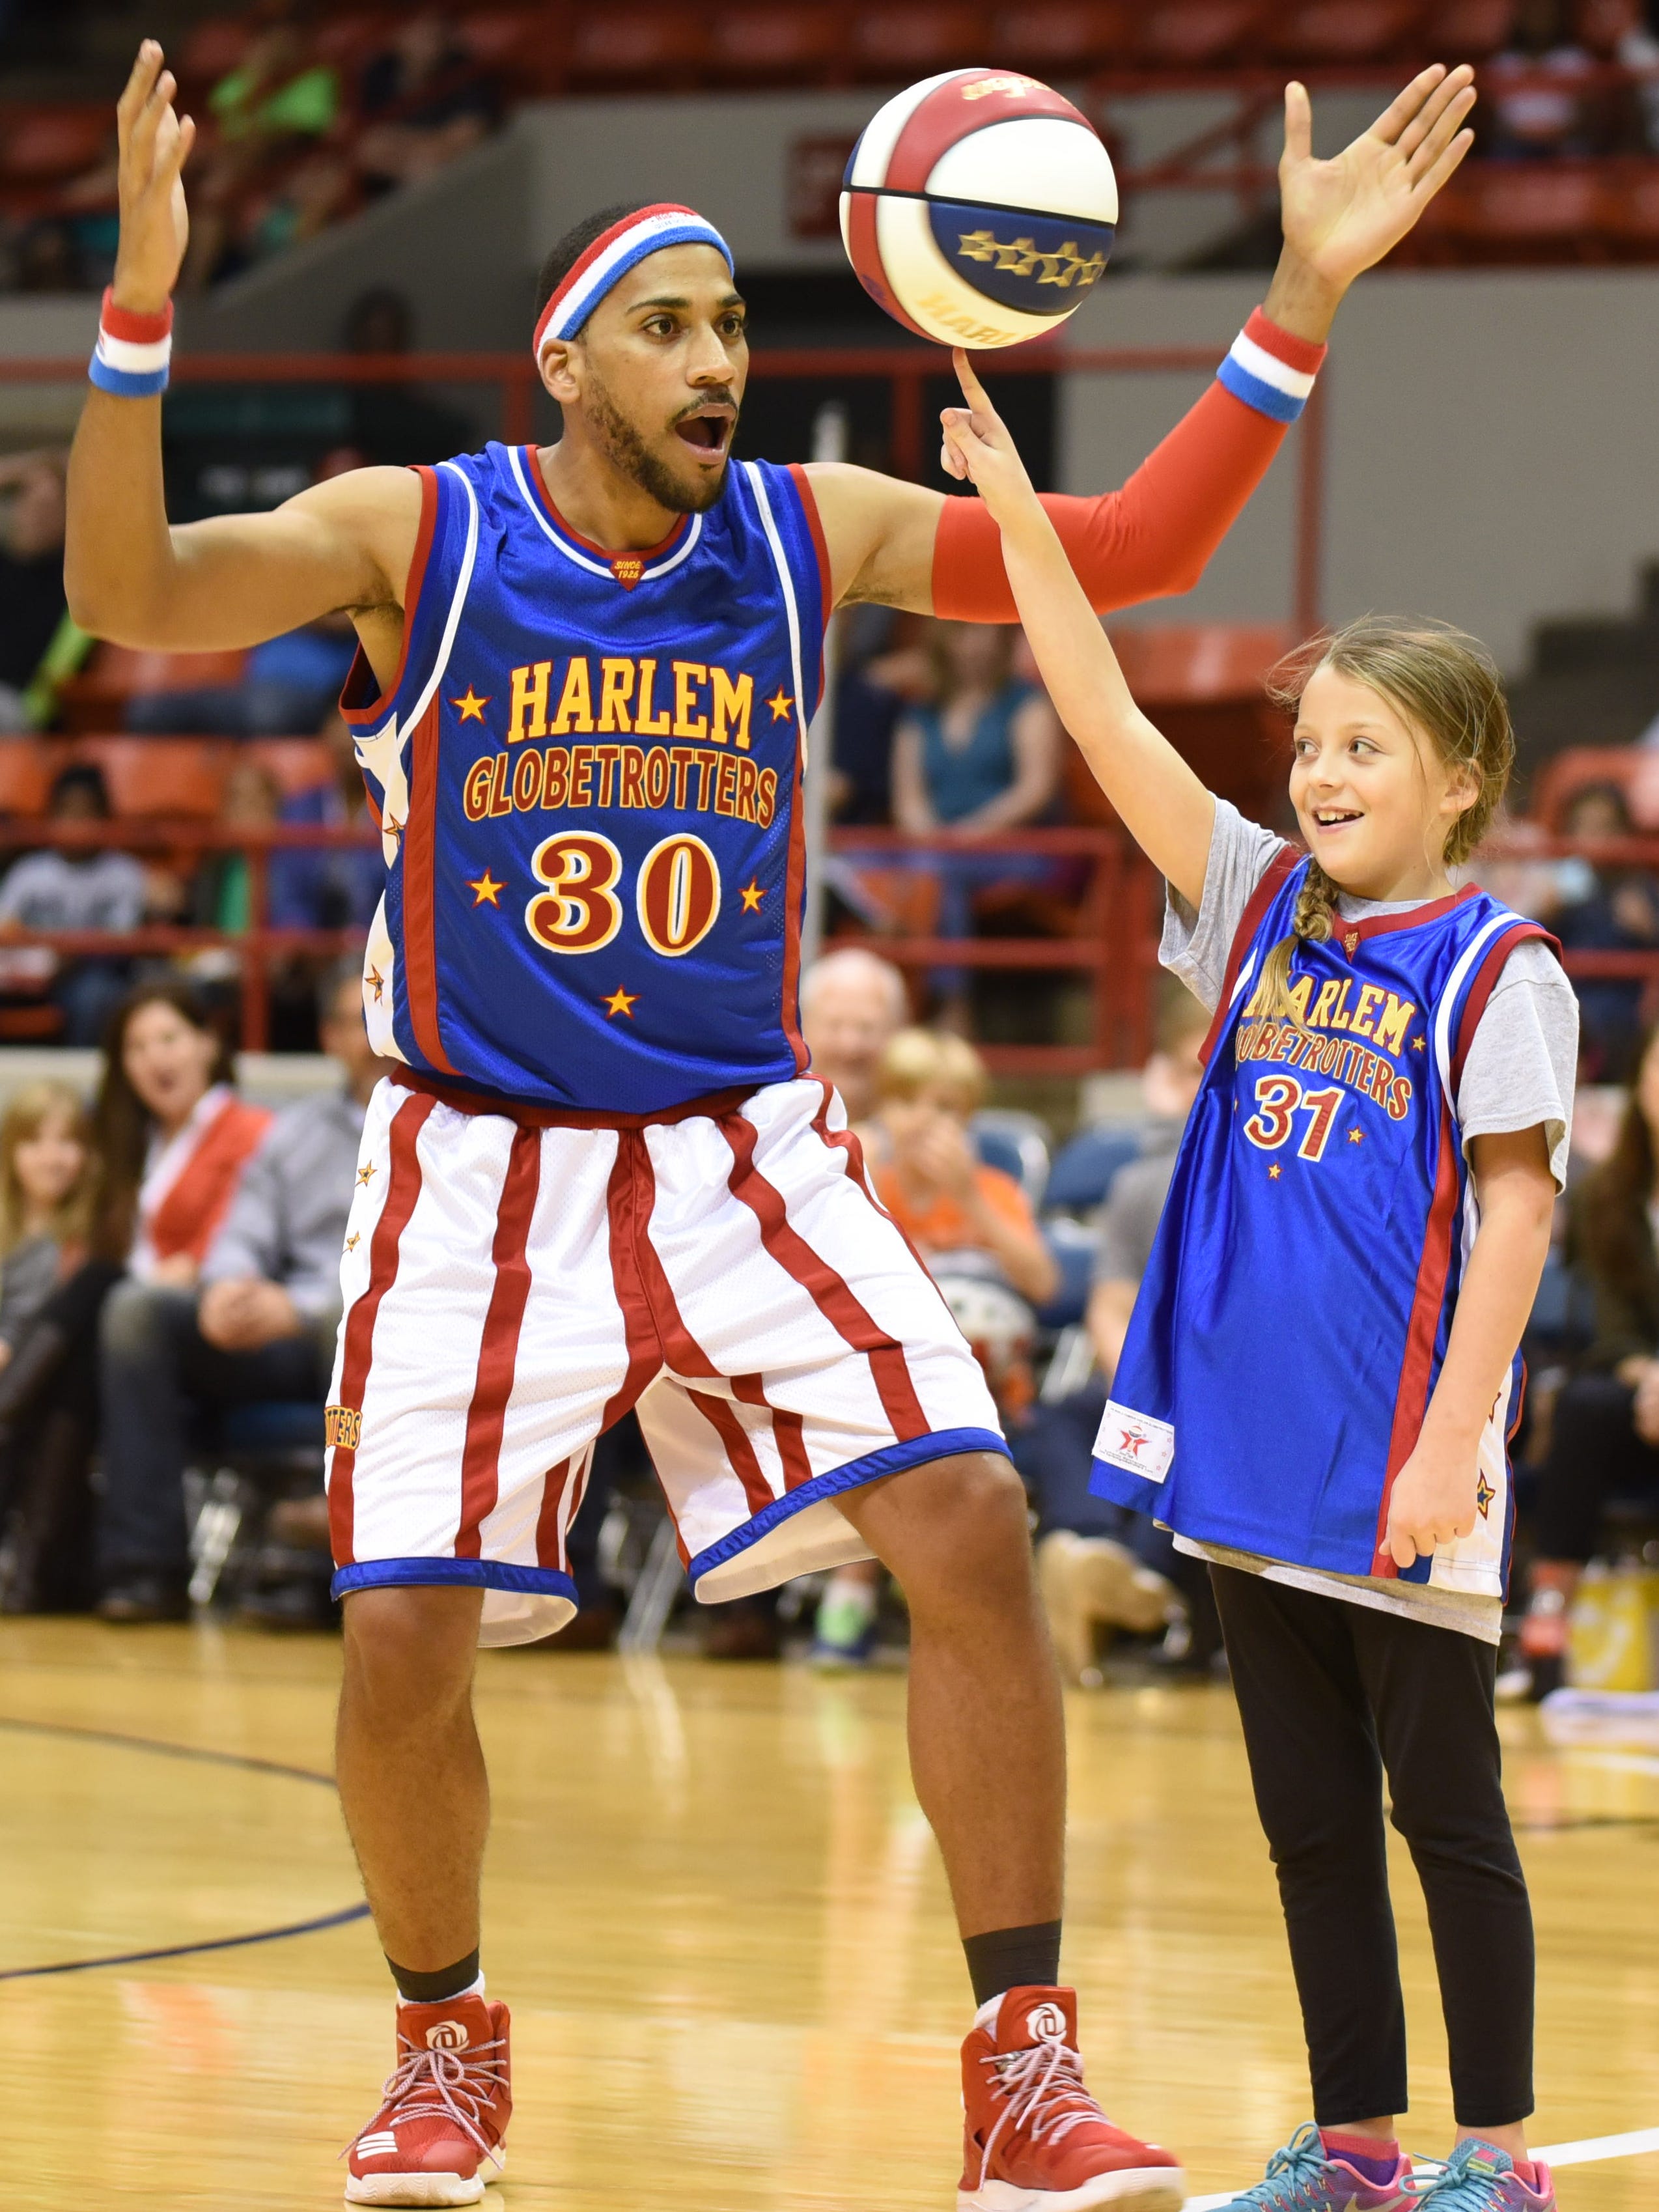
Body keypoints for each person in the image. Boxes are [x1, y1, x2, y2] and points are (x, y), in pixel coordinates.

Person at [66, 42, 1476, 2207]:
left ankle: (1020, 2066)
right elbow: (138, 593)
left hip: (736, 1140)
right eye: (669, 322)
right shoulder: (416, 536)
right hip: (475, 1156)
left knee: (972, 1527)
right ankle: (443, 2042)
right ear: (564, 360)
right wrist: (145, 300)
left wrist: (1292, 298)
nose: (718, 353)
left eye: (733, 318)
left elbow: (1112, 541)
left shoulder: (802, 531)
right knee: (396, 1631)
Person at [942, 354, 1575, 2209]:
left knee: (1444, 1814)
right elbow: (1101, 708)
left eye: (1364, 745)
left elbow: (1516, 1217)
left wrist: (1449, 1447)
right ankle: (1356, 2145)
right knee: (1306, 1826)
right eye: (1310, 744)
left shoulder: (1495, 964)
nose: (1318, 771)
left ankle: (1496, 2154)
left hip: (1400, 1463)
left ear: (1458, 783)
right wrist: (1015, 531)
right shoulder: (1250, 903)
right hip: (1248, 1452)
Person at [96, 959, 389, 1627]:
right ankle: (145, 1566)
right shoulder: (293, 1134)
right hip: (273, 1333)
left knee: (357, 1316)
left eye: (384, 1019)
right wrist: (230, 1288)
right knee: (134, 1311)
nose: (373, 1036)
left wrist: (302, 1305)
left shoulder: (453, 1130)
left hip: (370, 1331)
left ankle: (330, 1565)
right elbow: (242, 1233)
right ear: (329, 1037)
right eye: (356, 1021)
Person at [1033, 981, 1223, 1686]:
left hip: (1233, 1394)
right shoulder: (1141, 1184)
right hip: (1151, 1387)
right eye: (1189, 1065)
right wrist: (1139, 1385)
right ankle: (1090, 1555)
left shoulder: (1279, 1183)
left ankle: (1127, 1576)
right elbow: (1110, 1307)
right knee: (1065, 1414)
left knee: (1187, 1433)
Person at [92, 980, 273, 1617]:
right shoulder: (127, 1144)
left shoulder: (253, 1130)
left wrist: (192, 1270)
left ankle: (146, 1562)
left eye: (168, 1038)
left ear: (208, 1042)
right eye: (136, 1047)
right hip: (139, 1338)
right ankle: (51, 1559)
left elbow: (245, 1242)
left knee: (121, 1309)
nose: (153, 1058)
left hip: (226, 1324)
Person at [1515, 1018, 1659, 1698]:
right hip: (1636, 1409)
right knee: (1585, 1403)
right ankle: (1548, 1619)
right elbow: (1610, 1331)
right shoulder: (1609, 1195)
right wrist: (1647, 1376)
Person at [891, 620, 1062, 1021]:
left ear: (1005, 640)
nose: (970, 644)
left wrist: (973, 833)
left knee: (935, 874)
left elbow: (1035, 790)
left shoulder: (1028, 703)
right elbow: (908, 800)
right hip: (935, 850)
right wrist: (929, 836)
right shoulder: (919, 713)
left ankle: (952, 1006)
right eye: (959, 632)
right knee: (856, 867)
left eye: (980, 632)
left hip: (1012, 849)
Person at [0, 1080, 113, 1614]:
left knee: (68, 1378)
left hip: (54, 1391)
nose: (53, 1157)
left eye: (68, 1142)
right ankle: (27, 1572)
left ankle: (28, 1569)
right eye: (35, 1141)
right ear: (10, 1151)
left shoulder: (90, 1238)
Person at [0, 763, 151, 1045]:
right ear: (52, 816)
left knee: (97, 994)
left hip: (88, 976)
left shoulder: (124, 873)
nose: (76, 823)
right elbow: (6, 926)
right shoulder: (29, 871)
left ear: (104, 817)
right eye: (67, 812)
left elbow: (121, 941)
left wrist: (71, 955)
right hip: (27, 975)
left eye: (86, 813)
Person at [798, 944, 907, 1125]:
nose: (850, 1046)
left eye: (867, 1028)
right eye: (834, 1026)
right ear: (803, 1030)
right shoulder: (774, 1126)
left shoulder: (925, 1131)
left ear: (897, 1031)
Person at [0, 448, 70, 733]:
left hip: (24, 704)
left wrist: (66, 469)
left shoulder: (72, 575)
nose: (39, 515)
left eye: (51, 507)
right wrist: (19, 469)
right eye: (32, 503)